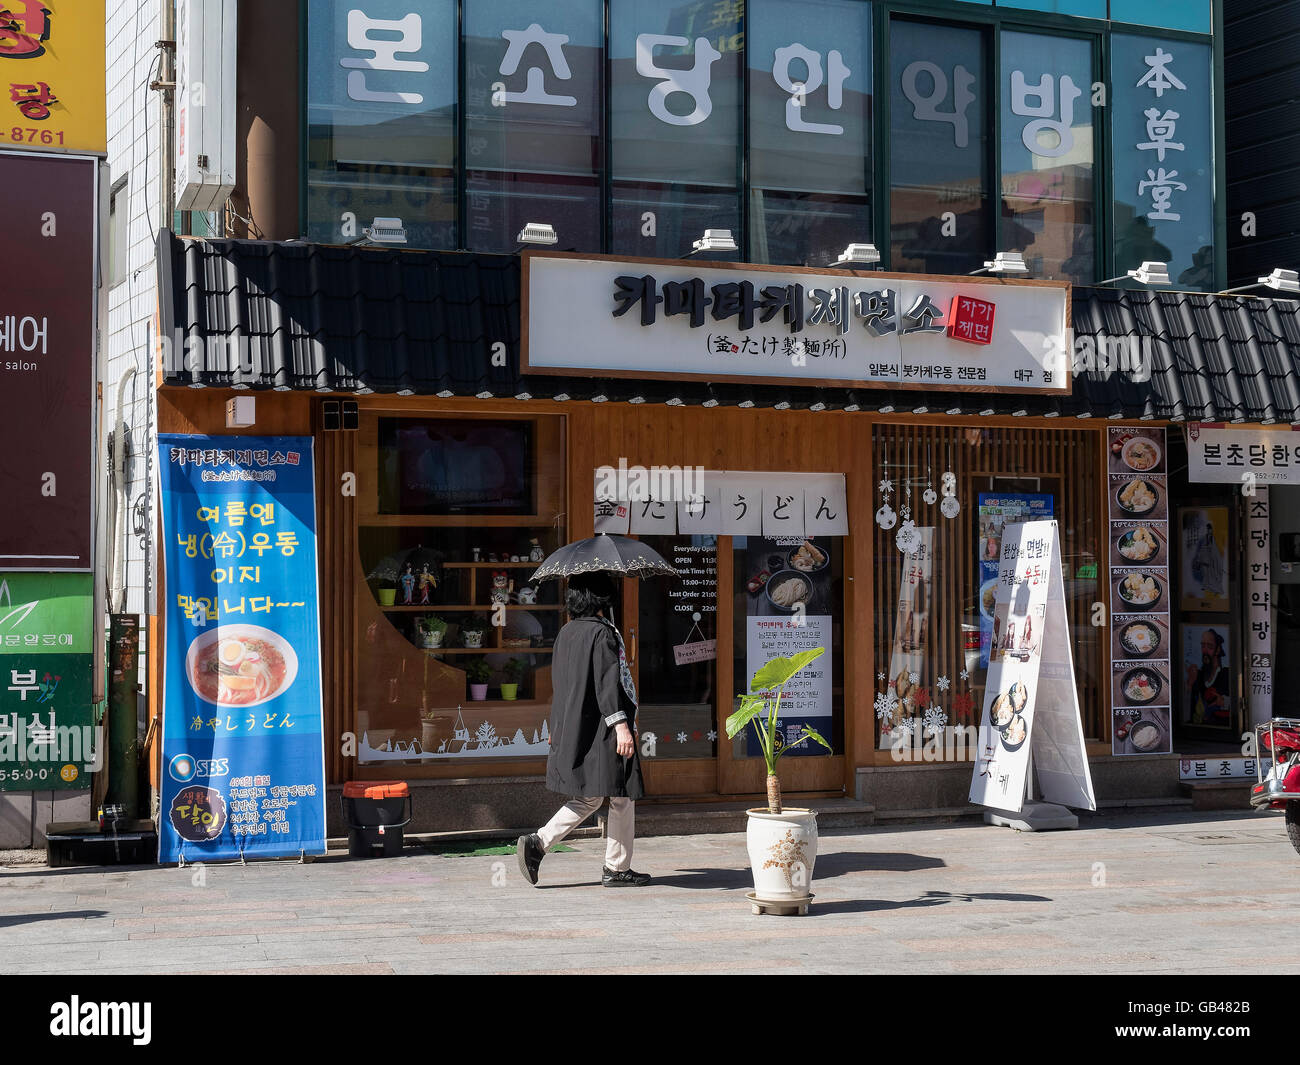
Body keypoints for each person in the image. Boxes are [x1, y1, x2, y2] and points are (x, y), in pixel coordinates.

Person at [517, 570, 649, 887]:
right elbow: (607, 685)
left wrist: (556, 725)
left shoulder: (567, 632)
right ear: (602, 597)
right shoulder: (602, 633)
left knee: (592, 797)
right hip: (602, 727)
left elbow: (561, 685)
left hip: (578, 725)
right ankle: (615, 868)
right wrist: (621, 727)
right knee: (620, 794)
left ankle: (539, 843)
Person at [1187, 628, 1230, 726]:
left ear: (1218, 649)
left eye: (1210, 646)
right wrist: (1190, 684)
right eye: (1203, 646)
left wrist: (1224, 702)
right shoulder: (1198, 675)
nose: (1205, 651)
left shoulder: (1226, 674)